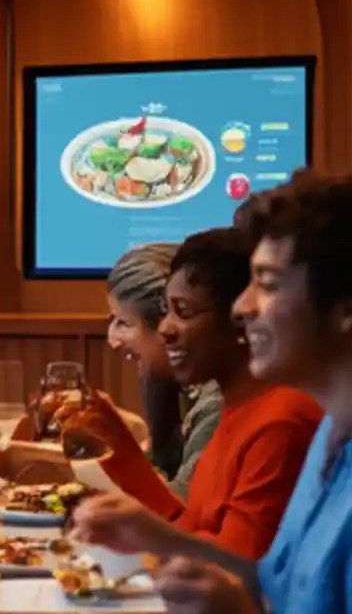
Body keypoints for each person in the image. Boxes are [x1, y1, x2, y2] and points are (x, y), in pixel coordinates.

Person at [74, 174, 352, 614]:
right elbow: (271, 585)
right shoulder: (330, 436)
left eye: (269, 284)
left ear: (345, 307)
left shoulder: (287, 419)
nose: (242, 307)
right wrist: (153, 534)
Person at [70, 227, 323, 560]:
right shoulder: (237, 408)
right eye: (166, 310)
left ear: (240, 319)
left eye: (183, 311)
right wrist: (120, 451)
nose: (165, 329)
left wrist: (147, 532)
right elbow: (188, 525)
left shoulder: (280, 421)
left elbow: (235, 566)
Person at [102, 243, 222, 496]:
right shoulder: (183, 387)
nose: (112, 340)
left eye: (123, 322)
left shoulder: (217, 403)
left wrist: (118, 443)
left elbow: (181, 507)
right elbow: (165, 467)